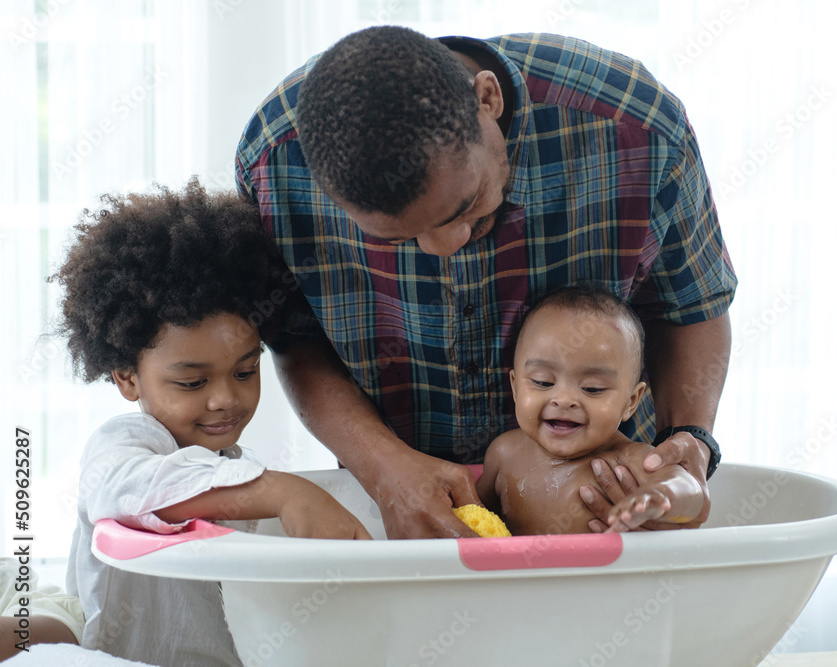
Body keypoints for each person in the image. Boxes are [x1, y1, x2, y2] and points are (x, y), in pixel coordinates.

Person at [236, 27, 736, 539]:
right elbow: (297, 341)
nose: (444, 245)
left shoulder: (638, 128)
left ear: (488, 99)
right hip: (394, 501)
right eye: (400, 238)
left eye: (466, 206)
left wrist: (691, 440)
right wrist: (383, 468)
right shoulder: (275, 163)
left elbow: (691, 306)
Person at [53, 179, 371, 666]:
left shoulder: (229, 461)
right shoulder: (129, 443)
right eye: (192, 384)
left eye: (245, 371)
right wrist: (284, 491)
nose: (226, 399)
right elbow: (132, 487)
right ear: (126, 378)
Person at [476, 285, 703, 535]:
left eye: (592, 388)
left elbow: (689, 488)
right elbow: (472, 512)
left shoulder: (628, 461)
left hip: (602, 576)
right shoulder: (503, 454)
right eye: (543, 382)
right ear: (516, 387)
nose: (564, 400)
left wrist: (661, 495)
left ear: (630, 401)